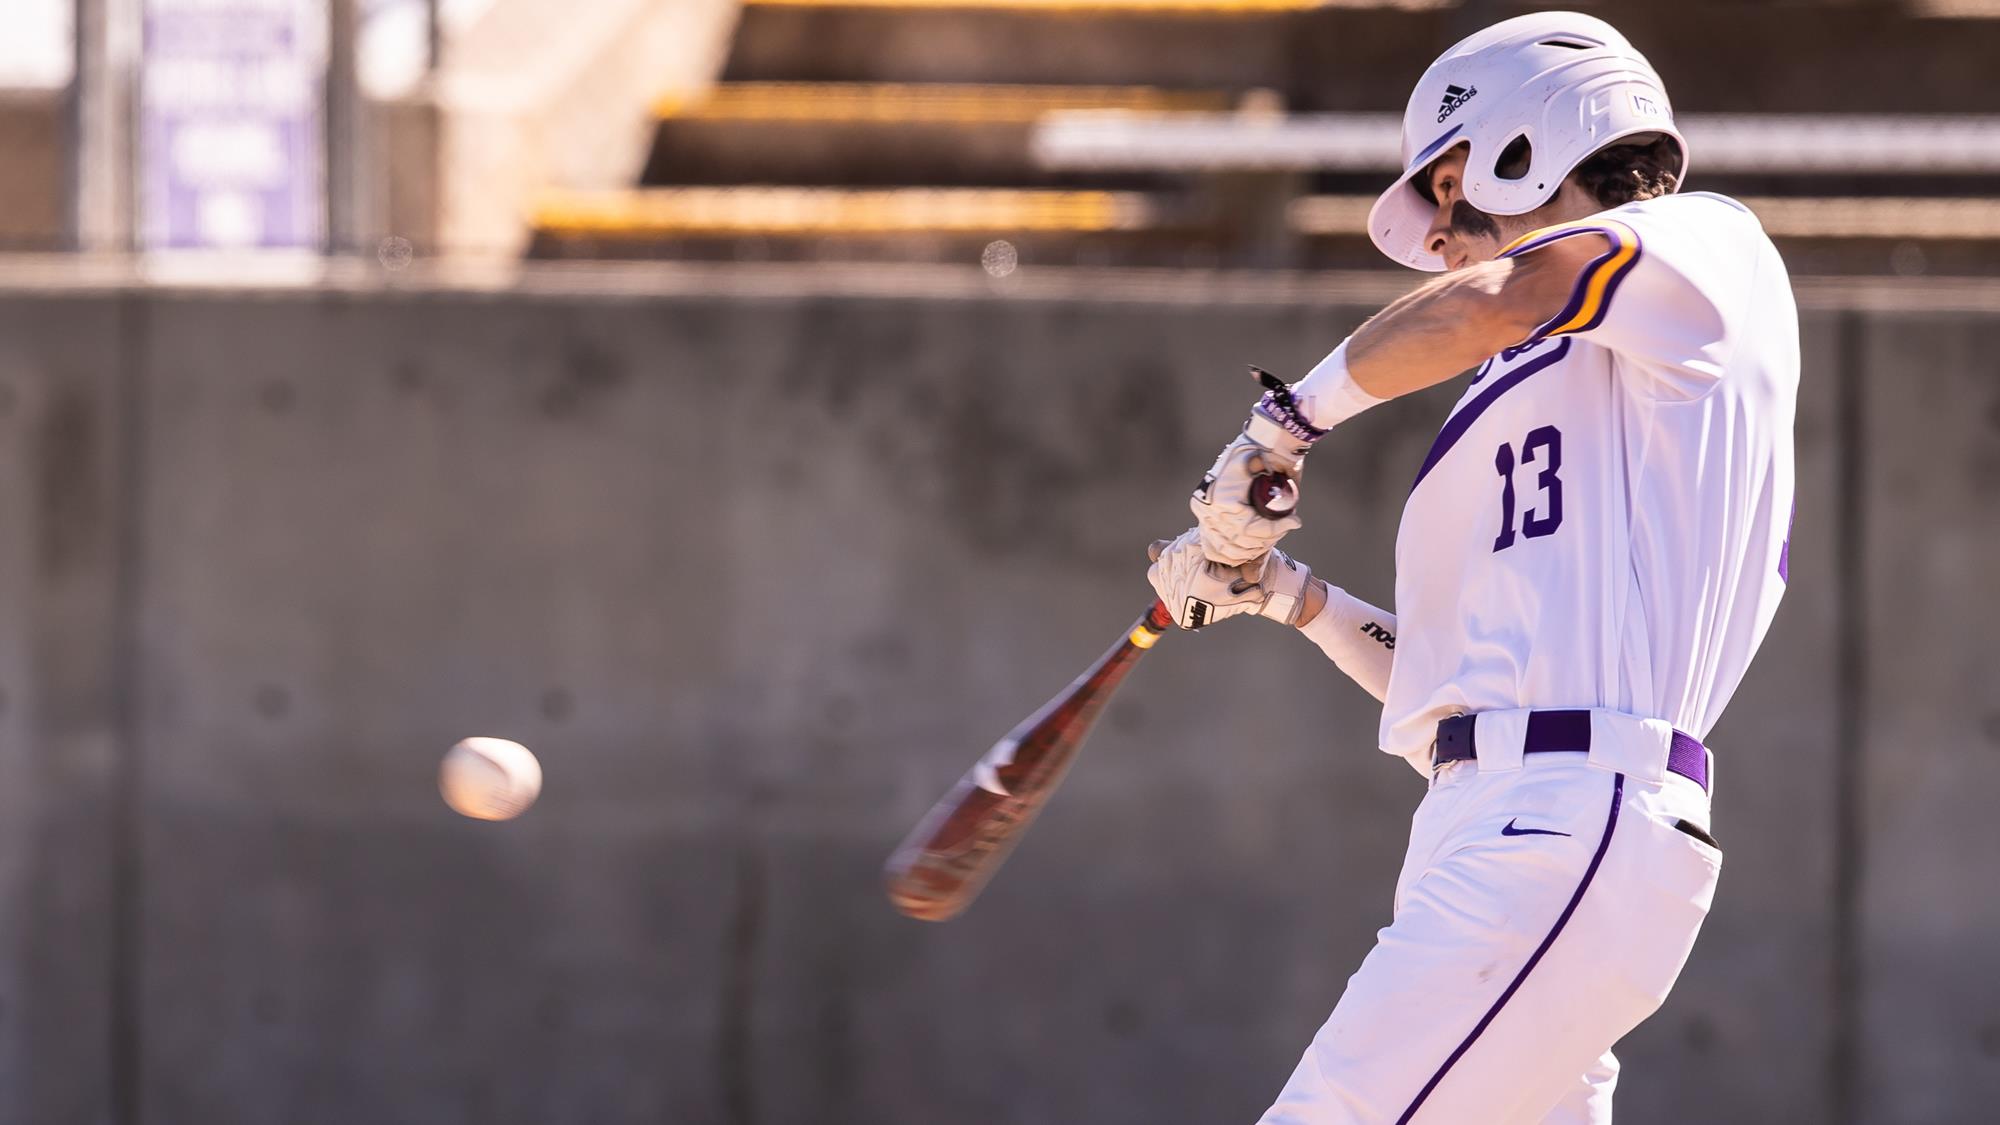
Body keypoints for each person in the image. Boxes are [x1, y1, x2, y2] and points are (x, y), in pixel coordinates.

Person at [1144, 11, 1798, 1122]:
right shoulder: (1548, 385)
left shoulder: (1702, 245)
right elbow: (1458, 688)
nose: (1437, 235)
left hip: (1566, 817)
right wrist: (1283, 596)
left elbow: (1507, 291)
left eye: (1444, 189)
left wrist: (1283, 426)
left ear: (1527, 140)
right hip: (1497, 818)